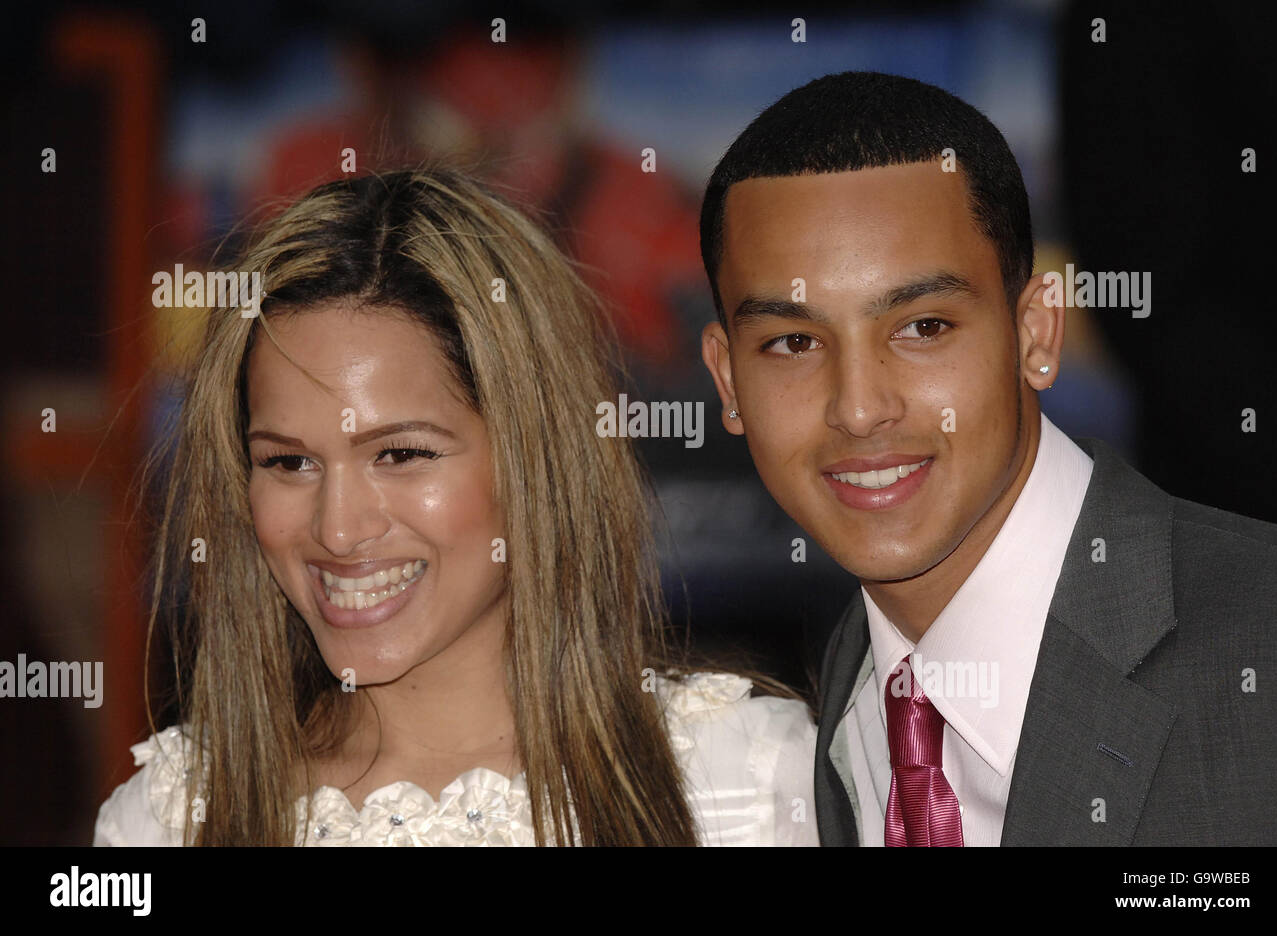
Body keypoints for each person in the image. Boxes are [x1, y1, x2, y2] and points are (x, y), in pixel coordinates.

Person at [94, 167, 817, 846]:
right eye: (288, 462)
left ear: (534, 456)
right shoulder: (166, 821)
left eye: (400, 454)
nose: (338, 529)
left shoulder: (753, 784)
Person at [698, 71, 1277, 846]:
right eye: (793, 342)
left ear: (1036, 334)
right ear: (727, 379)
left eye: (922, 328)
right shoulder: (833, 707)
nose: (858, 406)